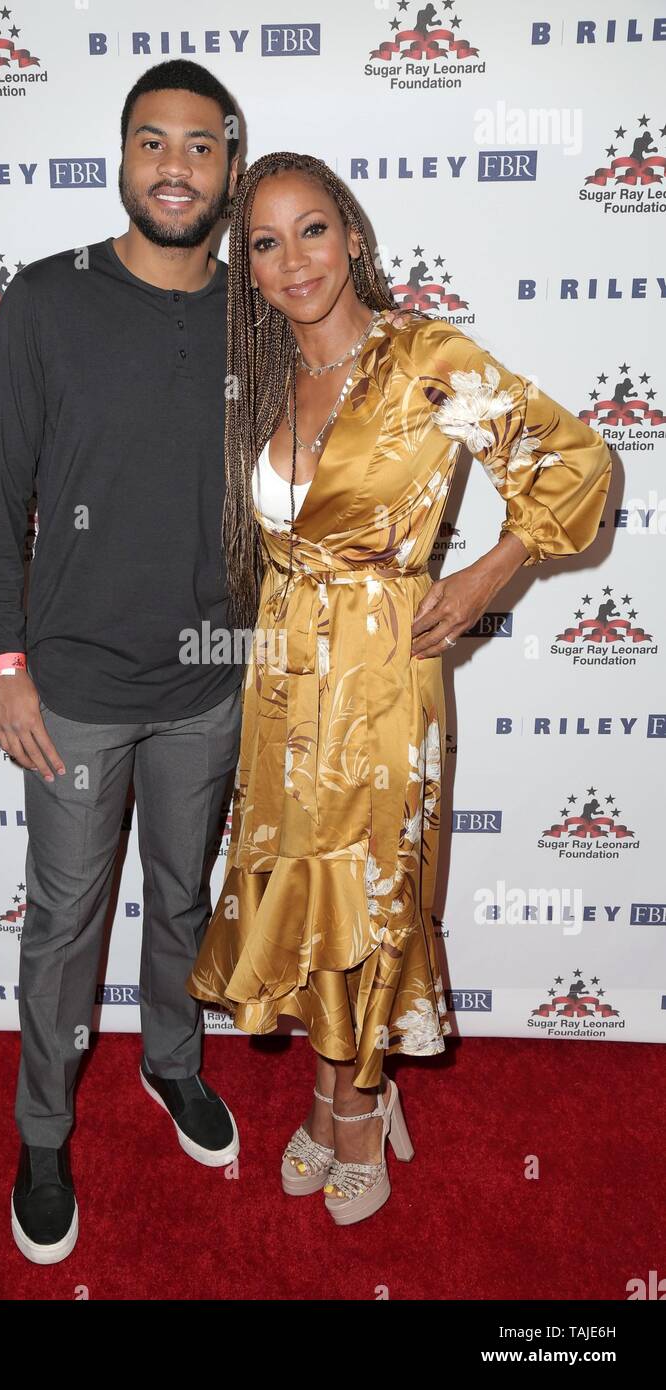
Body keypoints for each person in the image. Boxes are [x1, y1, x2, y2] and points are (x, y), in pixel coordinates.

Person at [186, 152, 613, 1227]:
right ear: (248, 271)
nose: (294, 262)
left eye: (312, 230)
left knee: (370, 890)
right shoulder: (263, 377)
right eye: (268, 244)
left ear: (354, 237)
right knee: (304, 881)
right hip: (284, 675)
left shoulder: (423, 355)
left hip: (380, 668)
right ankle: (329, 1087)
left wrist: (484, 571)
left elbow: (577, 463)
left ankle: (362, 1105)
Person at [0, 60, 244, 1265]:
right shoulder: (44, 301)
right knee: (62, 928)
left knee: (182, 900)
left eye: (196, 145)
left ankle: (170, 1064)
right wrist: (4, 658)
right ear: (121, 156)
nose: (173, 166)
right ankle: (40, 1133)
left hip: (208, 680)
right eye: (151, 142)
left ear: (228, 164)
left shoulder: (257, 311)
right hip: (72, 688)